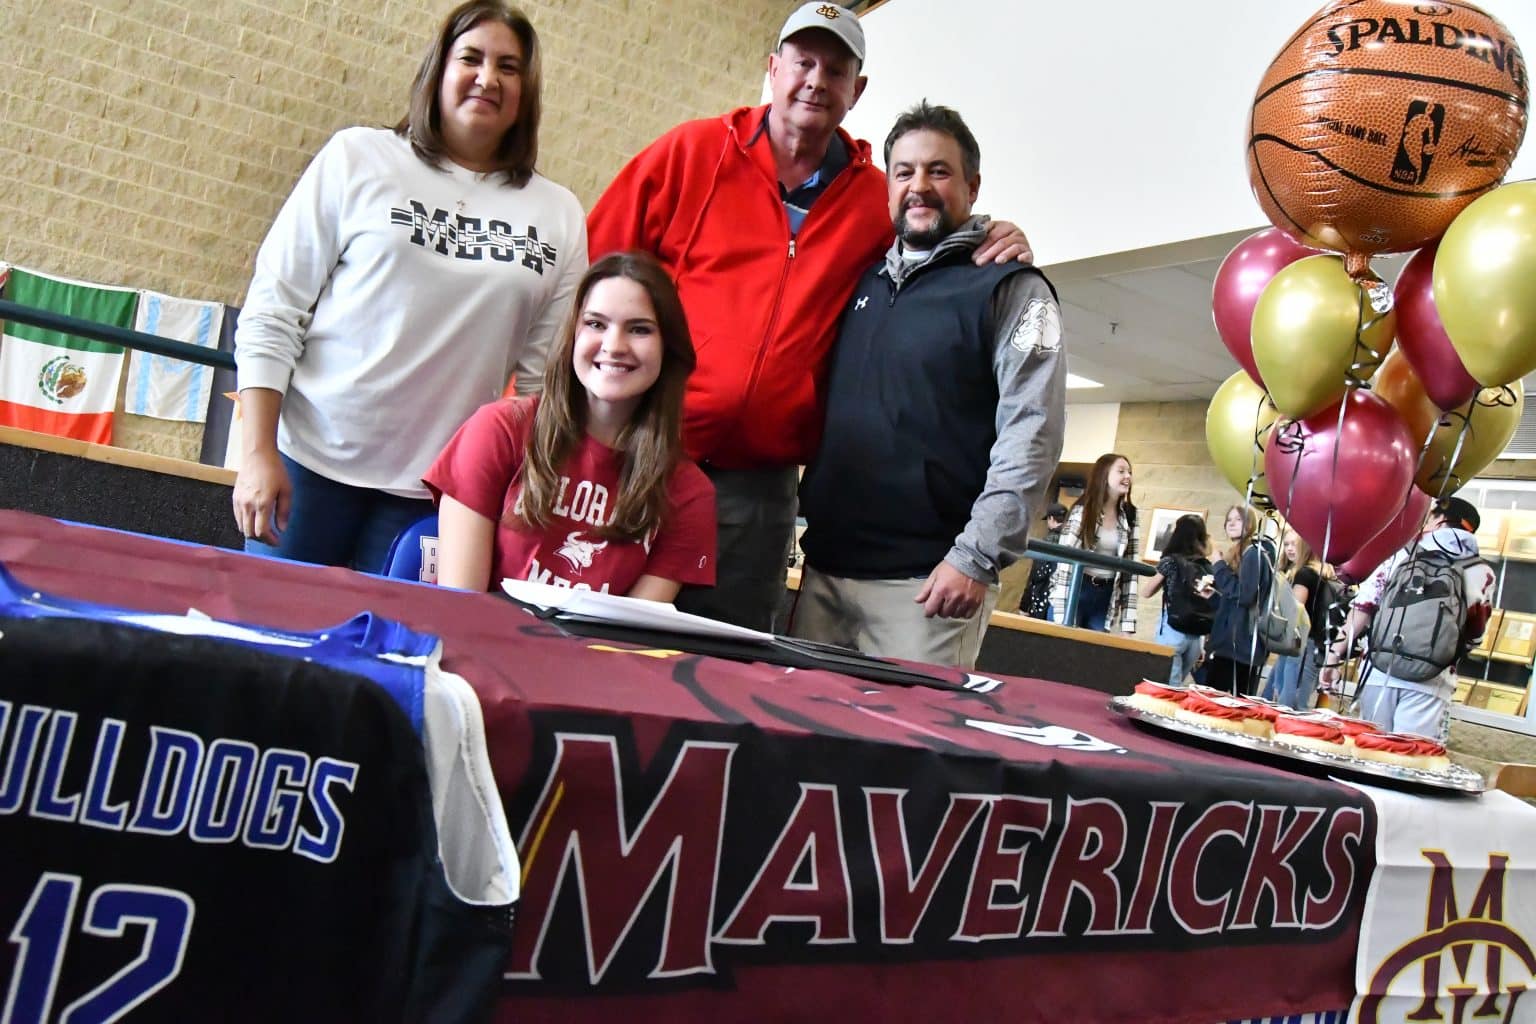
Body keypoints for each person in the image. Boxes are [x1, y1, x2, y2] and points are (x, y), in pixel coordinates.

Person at [585, 2, 1033, 631]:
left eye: (836, 67)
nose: (817, 80)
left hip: (758, 488)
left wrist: (991, 232)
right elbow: (589, 278)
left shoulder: (873, 201)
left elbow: (928, 236)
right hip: (646, 454)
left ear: (858, 89)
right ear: (773, 69)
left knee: (729, 660)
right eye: (803, 61)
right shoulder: (691, 153)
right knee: (599, 633)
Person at [232, 0, 587, 573]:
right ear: (439, 70)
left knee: (391, 657)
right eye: (470, 58)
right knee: (269, 650)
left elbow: (544, 382)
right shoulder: (358, 158)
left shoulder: (558, 214)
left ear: (526, 90)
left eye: (509, 67)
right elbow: (274, 310)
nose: (487, 78)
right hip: (307, 468)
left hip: (435, 497)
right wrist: (256, 453)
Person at [789, 102, 1065, 669]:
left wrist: (976, 558)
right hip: (824, 574)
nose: (919, 186)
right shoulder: (859, 277)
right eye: (904, 172)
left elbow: (1032, 435)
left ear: (973, 184)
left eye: (938, 171)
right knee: (800, 751)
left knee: (899, 757)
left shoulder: (1011, 288)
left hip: (928, 588)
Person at [423, 253, 716, 602]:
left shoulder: (688, 493)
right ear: (572, 335)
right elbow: (459, 607)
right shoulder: (498, 431)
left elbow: (630, 644)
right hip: (478, 647)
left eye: (639, 329)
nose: (613, 346)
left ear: (668, 349)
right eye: (596, 324)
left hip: (594, 656)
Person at [1320, 495, 1493, 740]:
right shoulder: (1480, 571)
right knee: (1409, 756)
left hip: (1379, 670)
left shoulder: (1399, 553)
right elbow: (1475, 636)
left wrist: (1333, 656)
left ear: (1440, 519)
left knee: (1368, 752)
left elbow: (1364, 607)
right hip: (1433, 680)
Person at [1048, 454, 1140, 634]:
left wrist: (1128, 623)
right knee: (1062, 654)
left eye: (1129, 472)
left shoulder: (1130, 515)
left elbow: (1131, 569)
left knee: (1092, 657)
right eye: (1121, 471)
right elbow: (1065, 561)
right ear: (1104, 475)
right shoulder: (1083, 510)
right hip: (1077, 588)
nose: (1128, 476)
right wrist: (1062, 613)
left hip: (1106, 595)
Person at [1204, 504, 1275, 695]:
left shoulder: (1254, 553)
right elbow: (1234, 600)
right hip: (1233, 644)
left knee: (1218, 702)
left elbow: (1245, 596)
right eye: (1229, 520)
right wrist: (1213, 597)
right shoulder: (1242, 553)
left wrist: (1218, 565)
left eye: (1238, 519)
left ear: (1249, 523)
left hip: (1239, 646)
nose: (1231, 523)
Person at [1265, 531, 1338, 709]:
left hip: (1300, 642)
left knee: (1288, 701)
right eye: (1286, 544)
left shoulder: (1304, 574)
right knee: (1292, 696)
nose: (1290, 549)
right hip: (1317, 645)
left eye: (1294, 544)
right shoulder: (1326, 574)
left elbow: (1295, 612)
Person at [1141, 514, 1216, 684]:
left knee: (1166, 687)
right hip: (1197, 635)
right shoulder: (1206, 566)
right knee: (1177, 684)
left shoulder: (1170, 562)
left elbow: (1146, 592)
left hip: (1172, 629)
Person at [1023, 503, 1068, 619]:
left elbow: (1037, 575)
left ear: (1051, 518)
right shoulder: (1070, 539)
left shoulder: (1047, 542)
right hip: (1063, 598)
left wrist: (1025, 603)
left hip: (1044, 597)